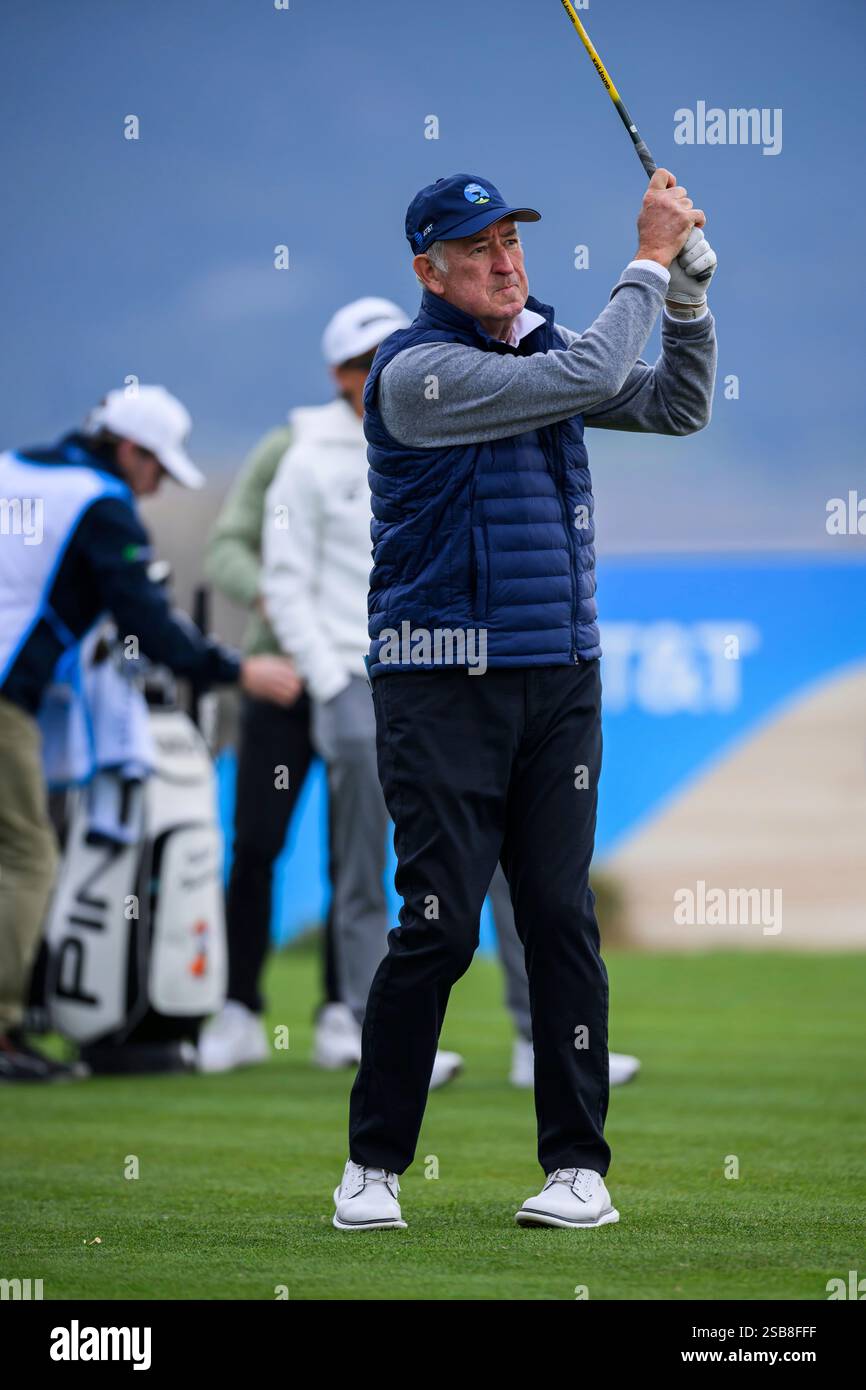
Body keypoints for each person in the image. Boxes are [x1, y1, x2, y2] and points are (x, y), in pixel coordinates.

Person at [332, 169, 717, 1231]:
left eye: (510, 241)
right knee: (438, 928)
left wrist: (683, 299)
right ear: (429, 270)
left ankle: (575, 1171)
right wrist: (647, 258)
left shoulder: (536, 347)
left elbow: (675, 404)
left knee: (557, 919)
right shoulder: (418, 374)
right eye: (478, 247)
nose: (505, 262)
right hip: (437, 678)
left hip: (558, 677)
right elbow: (596, 366)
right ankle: (373, 1166)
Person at [0, 386, 297, 1083]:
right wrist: (234, 669)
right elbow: (147, 622)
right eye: (157, 467)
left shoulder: (14, 467)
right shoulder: (101, 503)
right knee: (26, 855)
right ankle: (4, 1031)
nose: (157, 483)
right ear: (129, 450)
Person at [261, 298, 463, 1090]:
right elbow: (285, 579)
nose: (381, 369)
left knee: (438, 856)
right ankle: (352, 1014)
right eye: (365, 359)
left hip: (430, 671)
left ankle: (442, 1027)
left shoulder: (441, 431)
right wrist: (327, 675)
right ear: (342, 375)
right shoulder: (307, 460)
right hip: (351, 672)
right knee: (358, 859)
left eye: (392, 351)